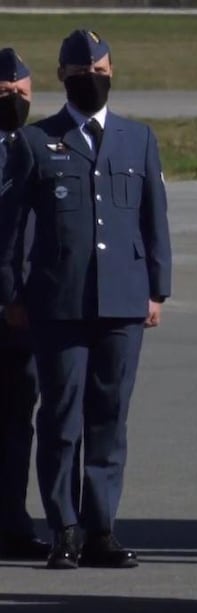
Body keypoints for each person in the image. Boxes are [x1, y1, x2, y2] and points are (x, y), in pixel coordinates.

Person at [0, 29, 171, 570]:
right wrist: (12, 293)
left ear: (112, 73)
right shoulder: (35, 142)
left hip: (123, 298)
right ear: (62, 78)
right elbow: (11, 229)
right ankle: (64, 528)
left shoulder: (137, 138)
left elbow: (153, 217)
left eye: (99, 73)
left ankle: (101, 527)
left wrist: (157, 288)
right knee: (61, 417)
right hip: (58, 302)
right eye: (80, 75)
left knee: (109, 416)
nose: (91, 81)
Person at [0, 47, 46, 561]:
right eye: (4, 93)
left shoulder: (40, 147)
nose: (14, 100)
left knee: (17, 423)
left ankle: (12, 524)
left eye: (21, 93)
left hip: (23, 311)